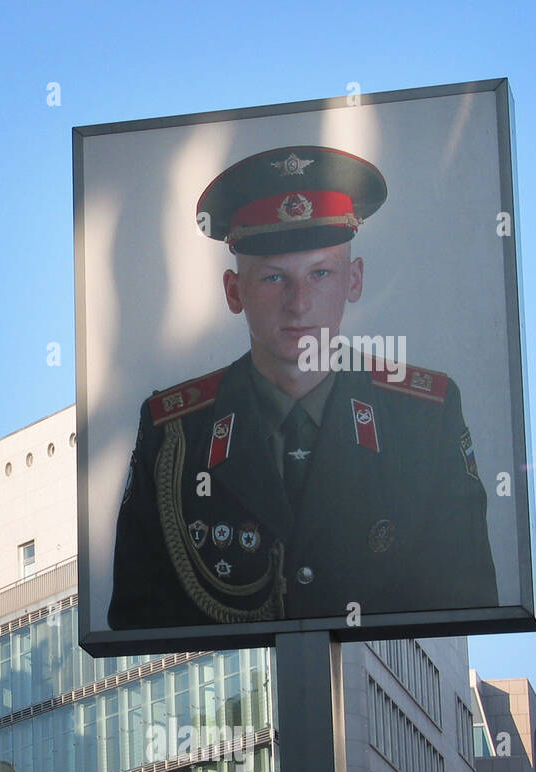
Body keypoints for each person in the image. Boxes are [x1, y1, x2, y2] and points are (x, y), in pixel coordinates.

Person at [108, 145, 497, 630]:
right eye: (274, 278)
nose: (299, 304)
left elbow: (466, 605)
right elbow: (138, 620)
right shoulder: (174, 433)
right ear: (234, 292)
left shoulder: (425, 417)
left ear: (353, 280)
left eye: (320, 273)